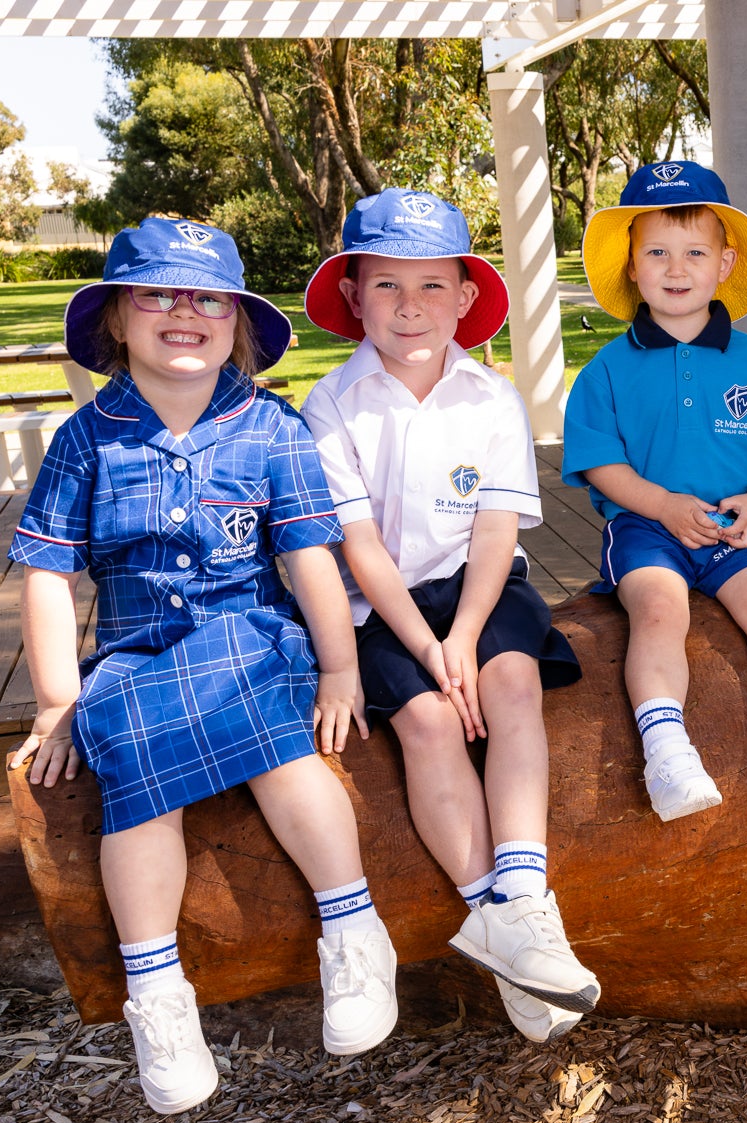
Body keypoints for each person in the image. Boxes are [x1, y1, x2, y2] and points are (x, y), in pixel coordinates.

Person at [8, 219, 396, 1114]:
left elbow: (309, 557)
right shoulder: (85, 439)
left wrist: (338, 669)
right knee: (131, 759)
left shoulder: (271, 429)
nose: (185, 313)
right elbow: (47, 571)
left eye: (208, 297)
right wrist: (57, 703)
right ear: (117, 319)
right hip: (137, 653)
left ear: (237, 322)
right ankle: (158, 995)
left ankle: (353, 929)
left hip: (250, 632)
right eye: (158, 294)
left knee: (282, 747)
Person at [299, 189, 597, 1043]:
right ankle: (494, 918)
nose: (410, 306)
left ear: (466, 297)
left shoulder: (490, 397)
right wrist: (430, 652)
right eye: (387, 286)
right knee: (430, 722)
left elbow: (497, 529)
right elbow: (357, 545)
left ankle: (525, 896)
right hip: (381, 602)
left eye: (432, 286)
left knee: (509, 686)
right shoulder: (333, 404)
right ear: (354, 294)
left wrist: (464, 636)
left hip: (478, 584)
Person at [562, 161, 747, 821]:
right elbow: (602, 464)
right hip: (647, 525)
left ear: (725, 263)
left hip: (736, 523)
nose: (675, 266)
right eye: (656, 251)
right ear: (632, 266)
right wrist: (661, 505)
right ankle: (666, 750)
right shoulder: (607, 370)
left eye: (694, 251)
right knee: (659, 612)